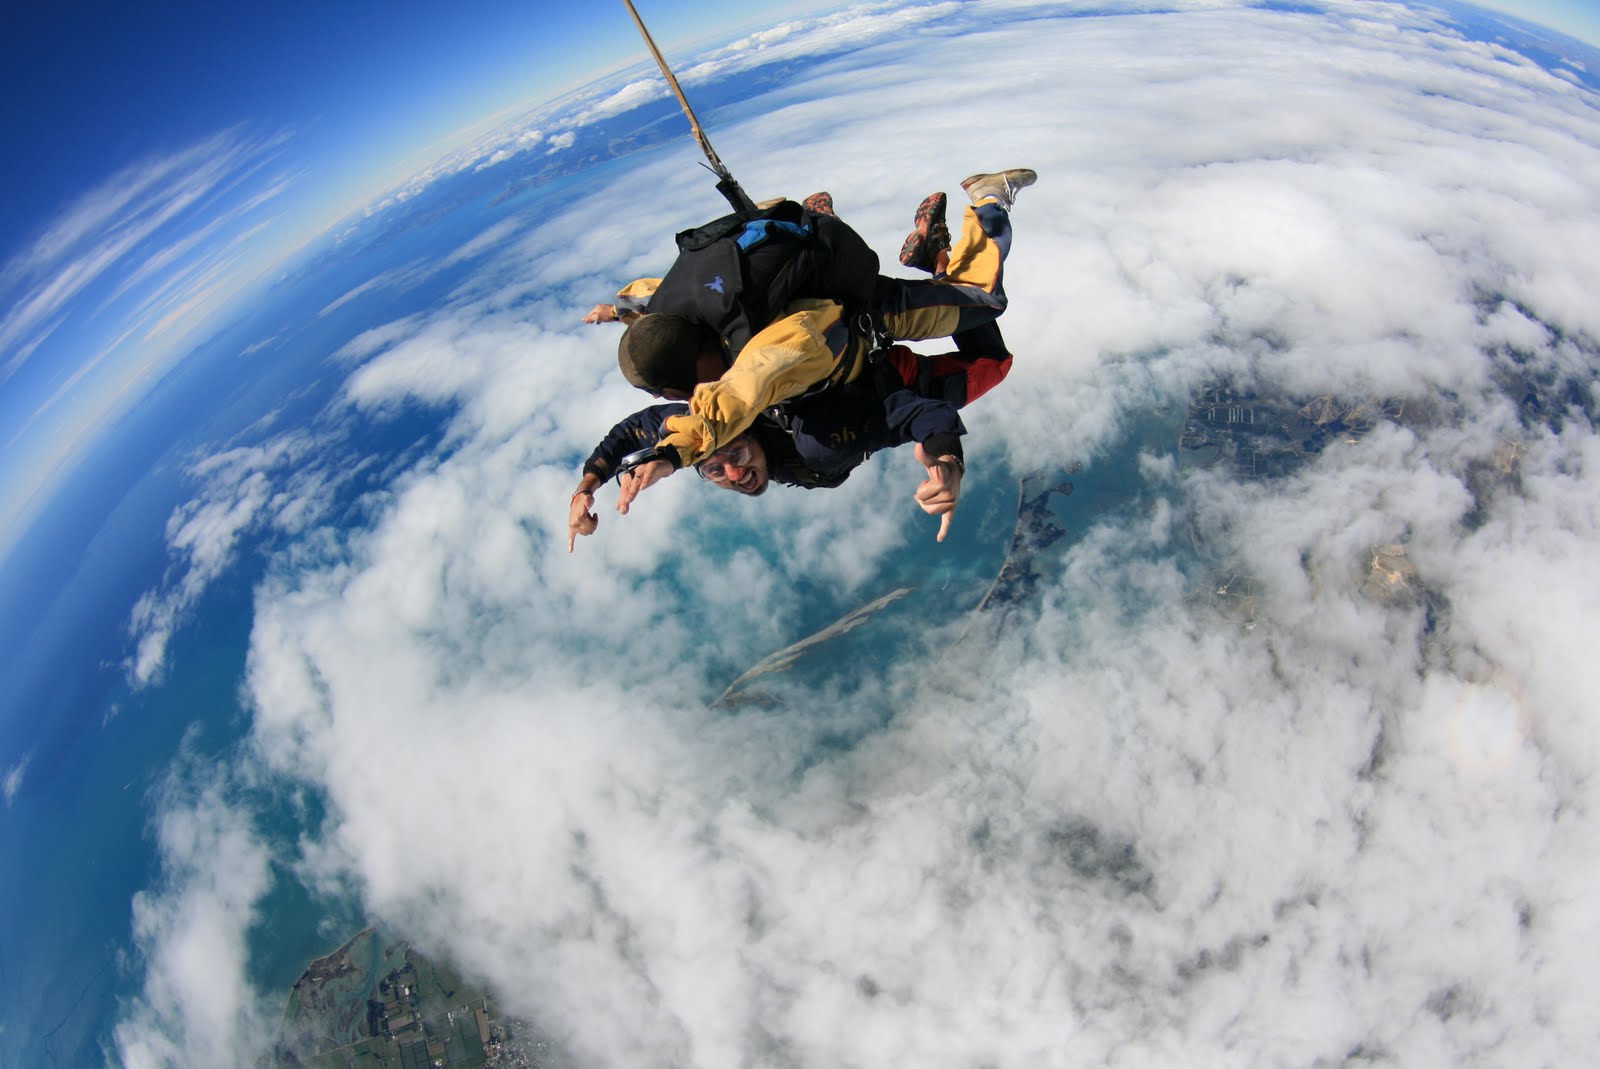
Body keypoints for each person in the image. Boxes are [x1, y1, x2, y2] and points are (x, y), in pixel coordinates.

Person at [596, 168, 1034, 487]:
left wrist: (674, 455)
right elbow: (655, 300)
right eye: (713, 469)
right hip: (845, 335)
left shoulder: (767, 350)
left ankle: (987, 201)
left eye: (674, 390)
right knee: (976, 348)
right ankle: (818, 224)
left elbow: (746, 385)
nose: (683, 398)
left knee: (984, 301)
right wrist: (620, 310)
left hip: (869, 317)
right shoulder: (689, 316)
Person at [567, 322, 1013, 549]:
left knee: (995, 361)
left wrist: (945, 460)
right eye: (713, 470)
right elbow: (634, 430)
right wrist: (587, 487)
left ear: (750, 433)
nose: (734, 473)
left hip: (904, 379)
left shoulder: (817, 444)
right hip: (850, 384)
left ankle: (974, 226)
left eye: (737, 454)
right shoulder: (719, 415)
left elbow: (920, 411)